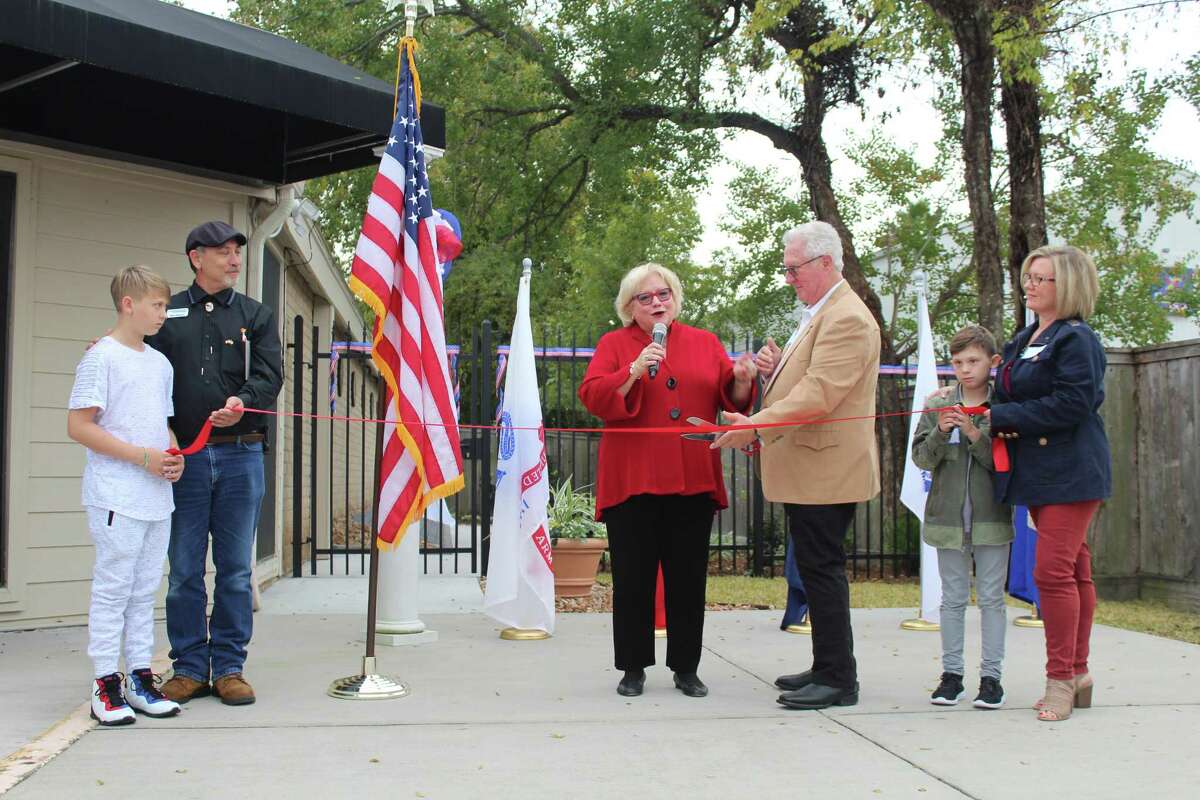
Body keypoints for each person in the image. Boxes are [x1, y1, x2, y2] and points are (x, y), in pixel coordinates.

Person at [713, 221, 880, 710]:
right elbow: (805, 381)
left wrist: (754, 426)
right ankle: (826, 664)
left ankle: (839, 679)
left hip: (826, 469)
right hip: (810, 467)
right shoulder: (821, 312)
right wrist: (773, 372)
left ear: (825, 262)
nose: (789, 277)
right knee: (813, 566)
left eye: (794, 268)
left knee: (822, 570)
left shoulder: (846, 316)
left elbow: (819, 394)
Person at [579, 263, 757, 699]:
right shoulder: (614, 344)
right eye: (646, 298)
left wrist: (742, 380)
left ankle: (686, 668)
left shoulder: (704, 342)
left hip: (691, 479)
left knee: (688, 578)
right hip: (632, 480)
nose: (657, 303)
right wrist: (634, 370)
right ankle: (632, 668)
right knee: (633, 578)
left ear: (675, 299)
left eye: (664, 295)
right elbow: (594, 397)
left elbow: (727, 397)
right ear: (629, 307)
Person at [151, 221, 283, 707]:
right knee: (184, 567)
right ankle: (187, 666)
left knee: (232, 570)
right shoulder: (168, 315)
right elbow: (147, 374)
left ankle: (229, 666)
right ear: (195, 257)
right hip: (184, 460)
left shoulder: (257, 315)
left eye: (236, 251)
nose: (233, 259)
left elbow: (271, 376)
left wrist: (242, 401)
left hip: (239, 455)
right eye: (222, 252)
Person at [987, 244, 1111, 722]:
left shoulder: (1077, 339)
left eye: (1042, 279)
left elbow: (1072, 405)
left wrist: (1001, 416)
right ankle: (1079, 673)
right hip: (1039, 473)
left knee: (1051, 573)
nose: (1030, 285)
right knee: (1075, 570)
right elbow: (1006, 393)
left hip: (1073, 471)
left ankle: (1060, 678)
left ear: (1070, 286)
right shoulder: (1024, 338)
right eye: (1028, 277)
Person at [68, 266, 185, 726]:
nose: (162, 314)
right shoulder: (101, 358)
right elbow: (78, 426)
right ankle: (105, 683)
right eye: (156, 305)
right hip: (116, 494)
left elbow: (162, 425)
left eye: (164, 305)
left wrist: (174, 456)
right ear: (128, 304)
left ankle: (140, 678)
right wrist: (142, 458)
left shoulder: (160, 364)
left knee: (143, 592)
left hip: (157, 497)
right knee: (114, 590)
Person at [911, 325, 1012, 709]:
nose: (965, 369)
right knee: (952, 600)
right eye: (957, 362)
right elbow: (921, 459)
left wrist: (974, 433)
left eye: (973, 361)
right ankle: (951, 676)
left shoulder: (1003, 407)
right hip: (946, 521)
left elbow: (1001, 464)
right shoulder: (937, 403)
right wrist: (940, 431)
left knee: (991, 599)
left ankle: (992, 679)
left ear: (992, 362)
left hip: (991, 519)